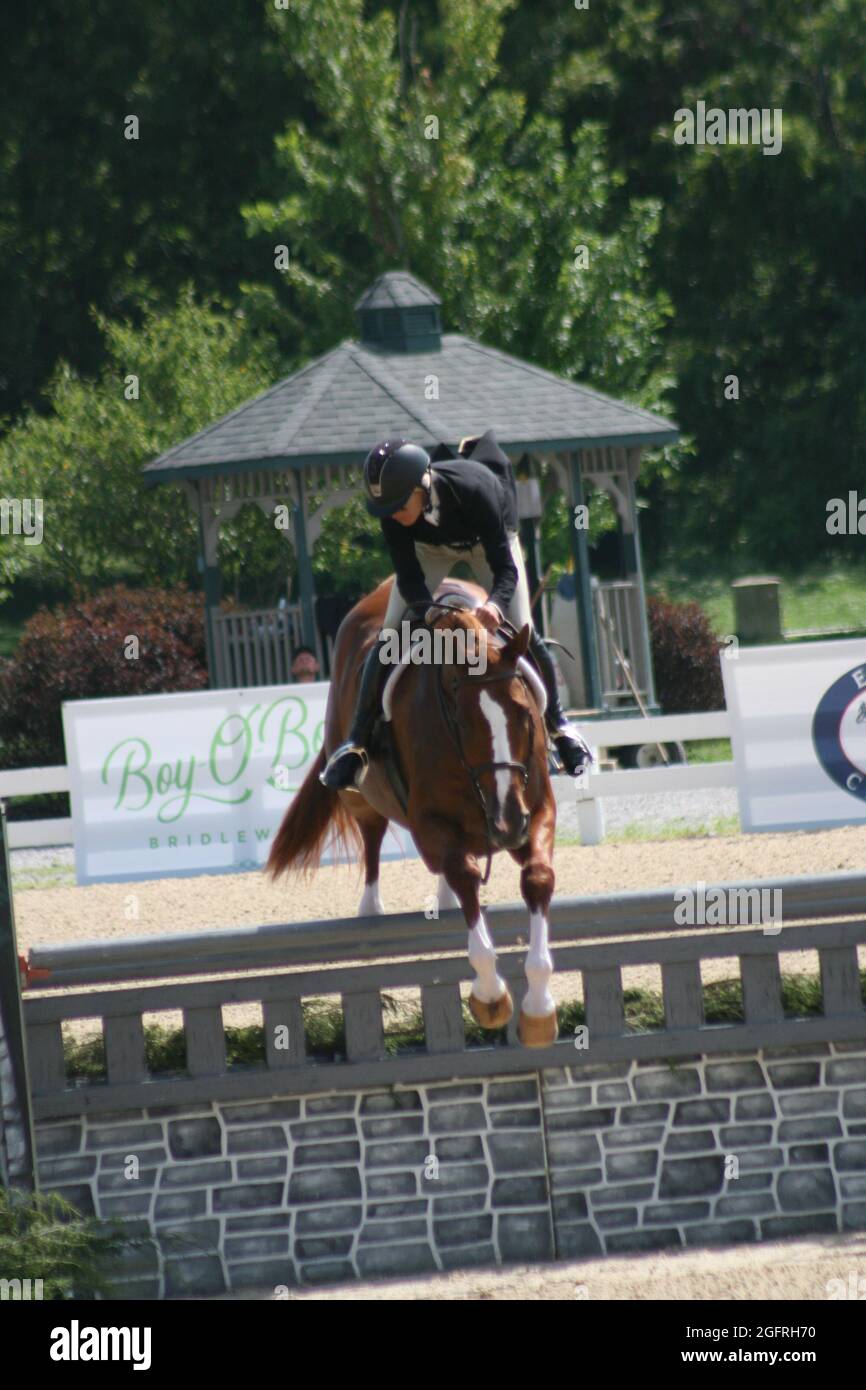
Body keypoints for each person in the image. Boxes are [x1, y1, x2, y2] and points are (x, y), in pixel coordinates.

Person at [319, 431, 594, 789]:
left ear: (423, 485)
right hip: (430, 550)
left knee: (523, 627)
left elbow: (506, 569)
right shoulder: (394, 513)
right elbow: (409, 576)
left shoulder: (476, 490)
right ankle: (356, 742)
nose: (395, 516)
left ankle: (560, 726)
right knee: (389, 636)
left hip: (488, 545)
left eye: (401, 507)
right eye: (389, 511)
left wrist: (495, 605)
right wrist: (428, 614)